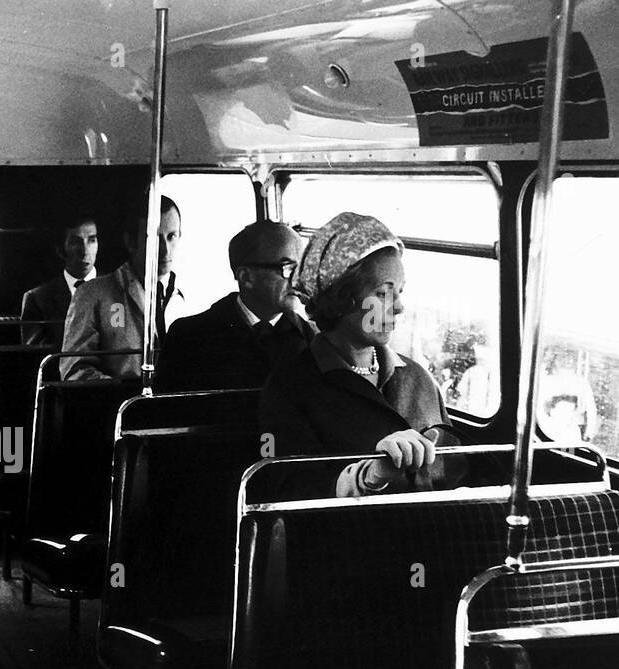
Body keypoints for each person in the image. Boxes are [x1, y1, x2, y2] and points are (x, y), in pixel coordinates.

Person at [259, 212, 461, 498]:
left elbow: (457, 470)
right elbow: (282, 482)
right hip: (352, 527)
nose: (399, 307)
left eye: (400, 291)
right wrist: (368, 476)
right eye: (383, 293)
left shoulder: (418, 378)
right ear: (341, 298)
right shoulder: (288, 386)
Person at [156, 221, 315, 392]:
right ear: (246, 277)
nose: (299, 280)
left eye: (303, 269)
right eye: (288, 269)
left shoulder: (312, 337)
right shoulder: (188, 337)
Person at [59, 194, 188, 381]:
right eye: (154, 238)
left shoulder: (186, 298)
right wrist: (125, 391)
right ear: (130, 242)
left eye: (171, 236)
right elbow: (74, 371)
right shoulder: (92, 294)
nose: (165, 250)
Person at [19, 217, 99, 348]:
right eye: (75, 242)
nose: (85, 251)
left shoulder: (117, 290)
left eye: (91, 240)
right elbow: (36, 355)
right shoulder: (38, 299)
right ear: (60, 249)